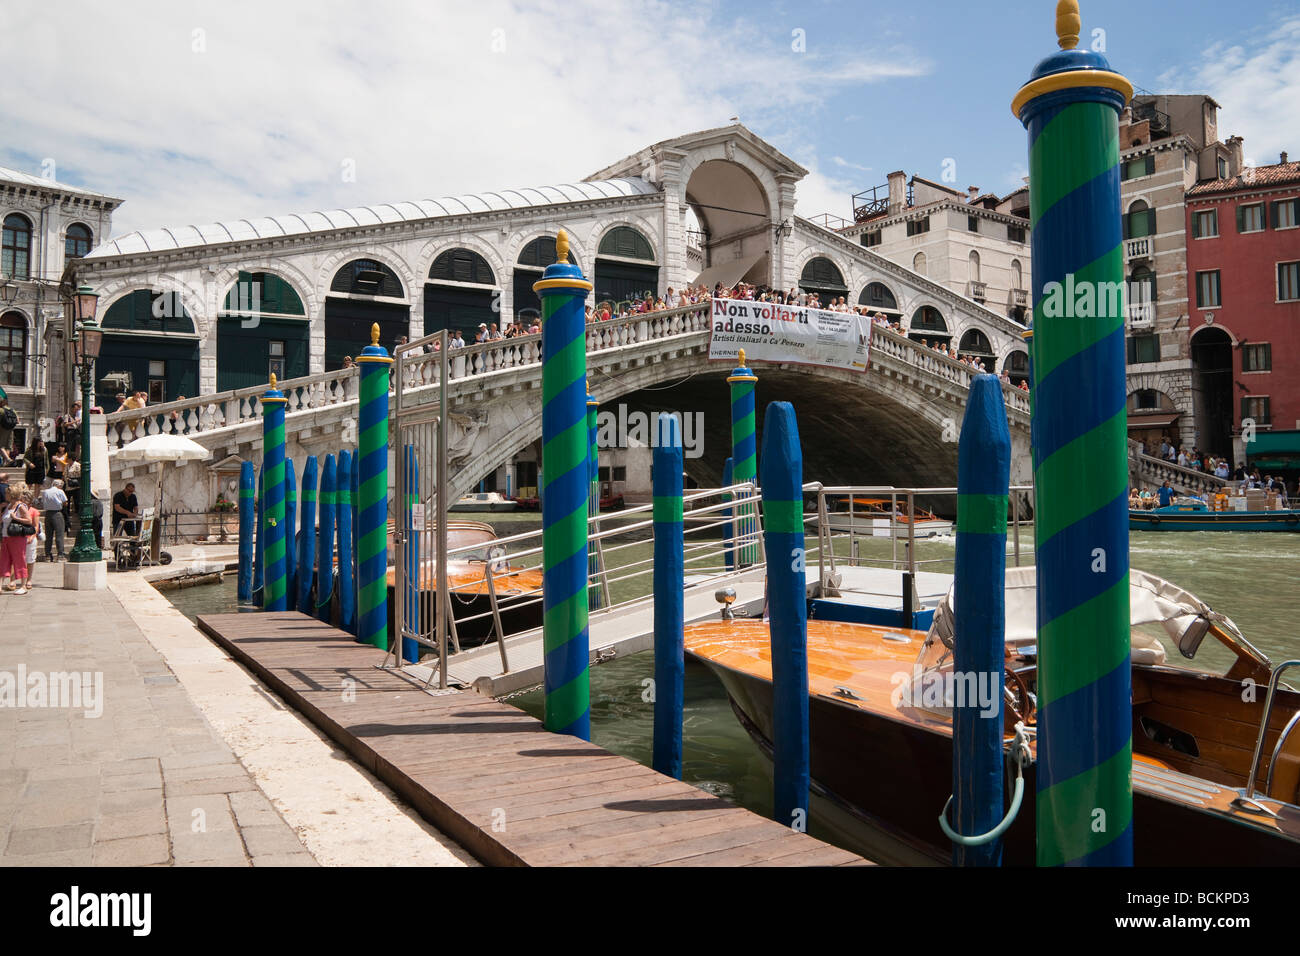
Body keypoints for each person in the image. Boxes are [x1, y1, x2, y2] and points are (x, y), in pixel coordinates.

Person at [0, 482, 35, 594]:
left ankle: (23, 586)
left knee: (19, 560)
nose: (5, 495)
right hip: (6, 537)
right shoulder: (8, 506)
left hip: (17, 537)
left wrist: (16, 518)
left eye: (7, 493)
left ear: (12, 494)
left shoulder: (21, 506)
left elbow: (29, 520)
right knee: (4, 560)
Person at [39, 478, 67, 561]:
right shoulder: (60, 491)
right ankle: (60, 554)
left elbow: (43, 501)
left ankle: (47, 555)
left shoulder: (45, 492)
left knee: (48, 535)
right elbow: (65, 502)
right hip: (57, 513)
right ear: (59, 485)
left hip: (48, 514)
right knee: (59, 535)